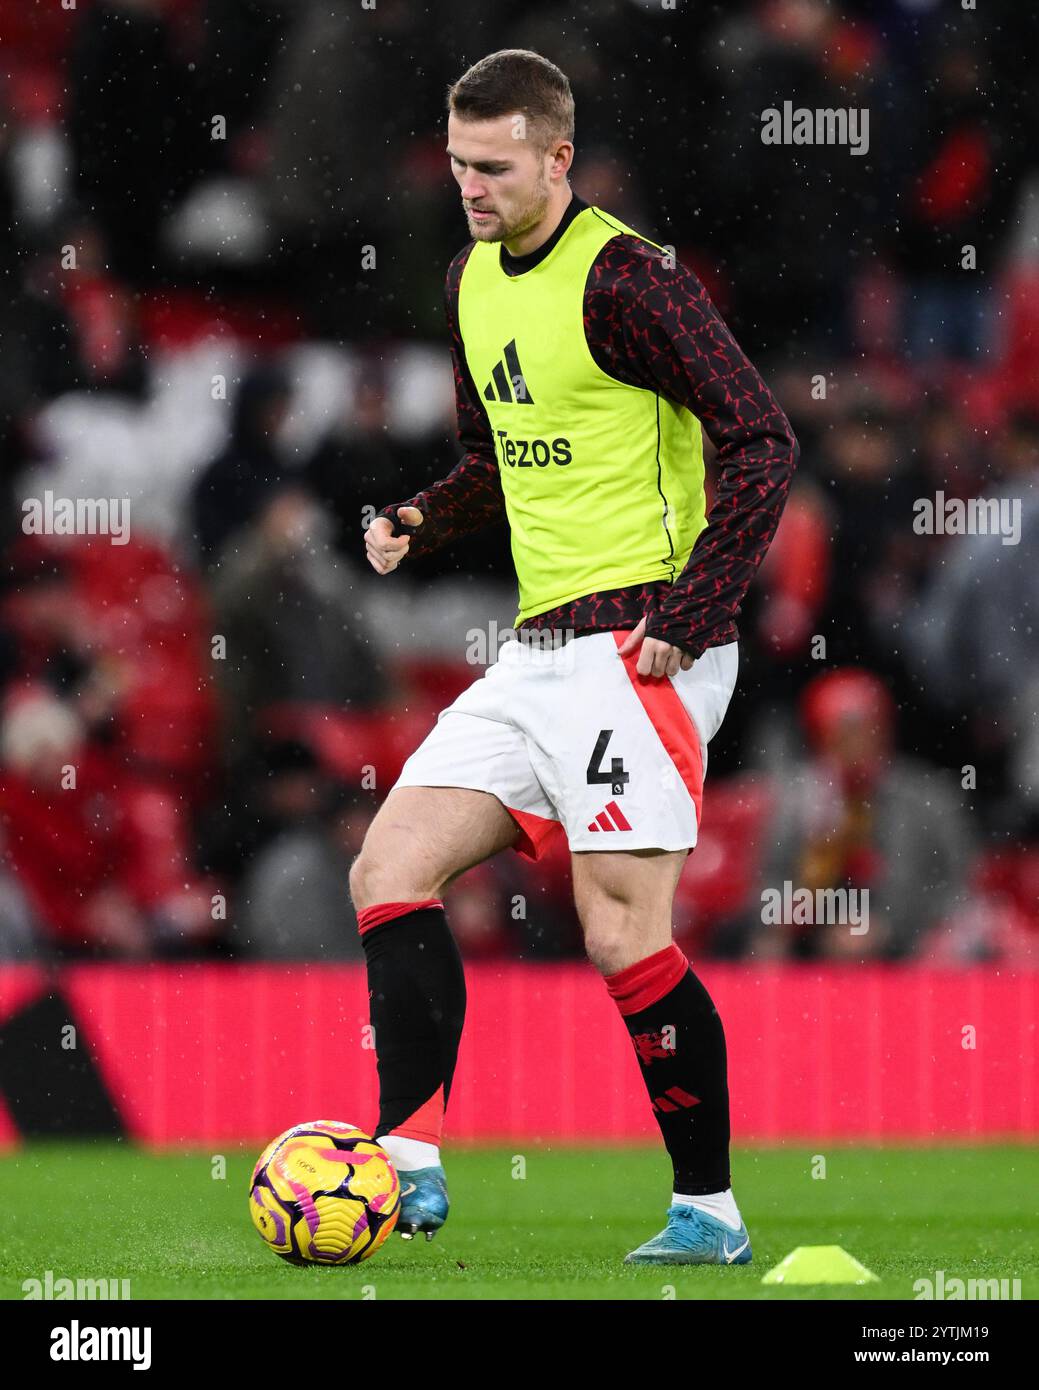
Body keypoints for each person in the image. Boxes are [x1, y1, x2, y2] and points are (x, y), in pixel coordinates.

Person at [352, 49, 798, 1266]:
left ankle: (707, 1209)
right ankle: (407, 1158)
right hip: (538, 647)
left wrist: (697, 615)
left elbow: (761, 438)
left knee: (620, 937)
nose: (470, 188)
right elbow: (495, 461)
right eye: (455, 165)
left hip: (642, 644)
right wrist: (416, 520)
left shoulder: (633, 281)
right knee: (388, 866)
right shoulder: (467, 282)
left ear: (558, 156)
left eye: (493, 167)